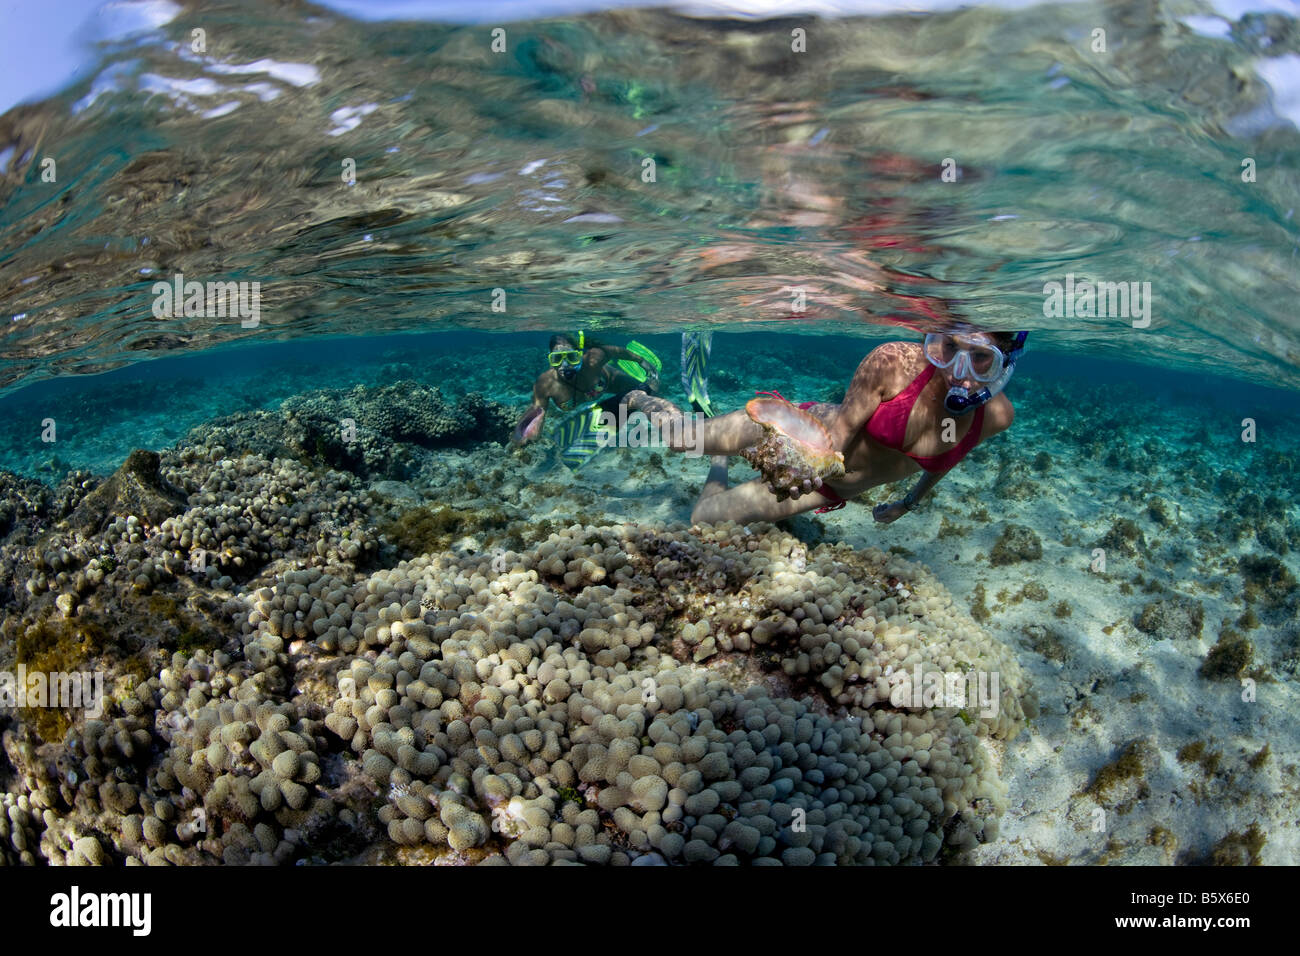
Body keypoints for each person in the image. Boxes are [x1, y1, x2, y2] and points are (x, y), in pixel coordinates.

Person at [625, 328, 1026, 524]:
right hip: (794, 432)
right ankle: (639, 396)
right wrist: (786, 461)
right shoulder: (893, 363)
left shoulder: (997, 416)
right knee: (680, 439)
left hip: (825, 488)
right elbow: (836, 436)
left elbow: (948, 460)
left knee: (703, 520)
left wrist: (908, 503)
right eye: (950, 347)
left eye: (980, 357)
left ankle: (720, 460)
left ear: (1005, 362)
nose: (958, 369)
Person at [513, 332, 662, 468]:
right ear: (550, 359)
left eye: (571, 357)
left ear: (579, 355)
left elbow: (616, 351)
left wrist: (643, 362)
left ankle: (648, 383)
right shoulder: (545, 384)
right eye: (557, 359)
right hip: (599, 393)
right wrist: (524, 437)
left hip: (609, 381)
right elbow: (537, 410)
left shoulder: (593, 360)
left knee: (649, 393)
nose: (565, 365)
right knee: (639, 396)